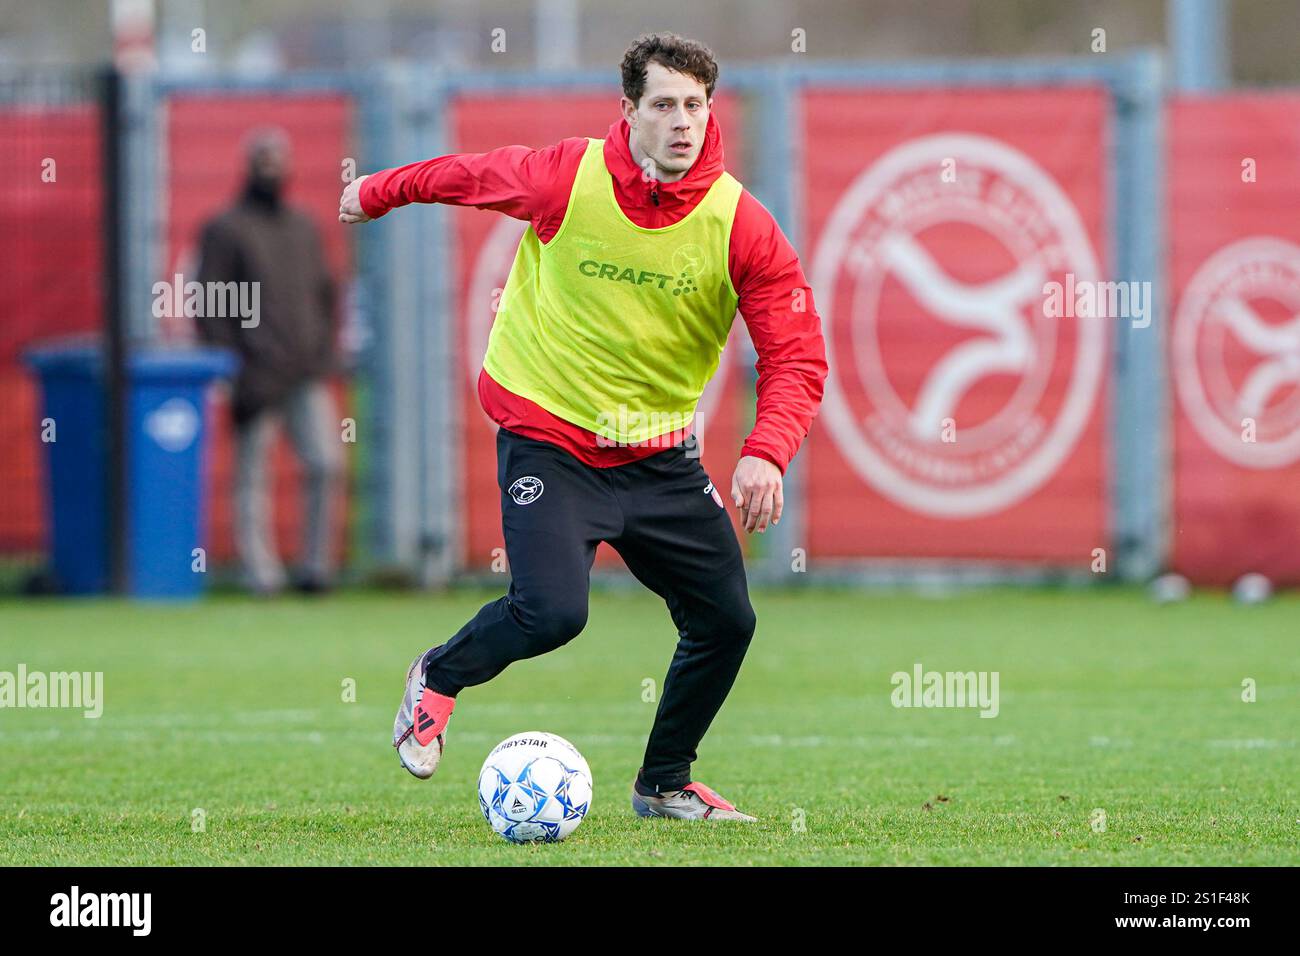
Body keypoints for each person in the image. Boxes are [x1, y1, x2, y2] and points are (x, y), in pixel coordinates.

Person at [339, 33, 827, 820]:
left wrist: (766, 452)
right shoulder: (569, 175)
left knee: (727, 619)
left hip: (660, 453)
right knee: (553, 612)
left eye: (694, 106)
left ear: (711, 112)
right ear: (628, 111)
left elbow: (797, 355)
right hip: (551, 436)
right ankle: (437, 676)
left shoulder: (741, 224)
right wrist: (378, 191)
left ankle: (664, 783)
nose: (680, 122)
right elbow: (466, 176)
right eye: (662, 104)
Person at [197, 128, 342, 596]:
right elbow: (212, 306)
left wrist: (322, 351)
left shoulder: (304, 227)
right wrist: (231, 367)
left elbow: (326, 294)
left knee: (326, 464)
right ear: (248, 167)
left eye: (278, 160)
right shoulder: (226, 229)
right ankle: (262, 575)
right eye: (263, 161)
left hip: (304, 371)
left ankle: (314, 571)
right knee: (251, 479)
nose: (271, 169)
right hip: (254, 377)